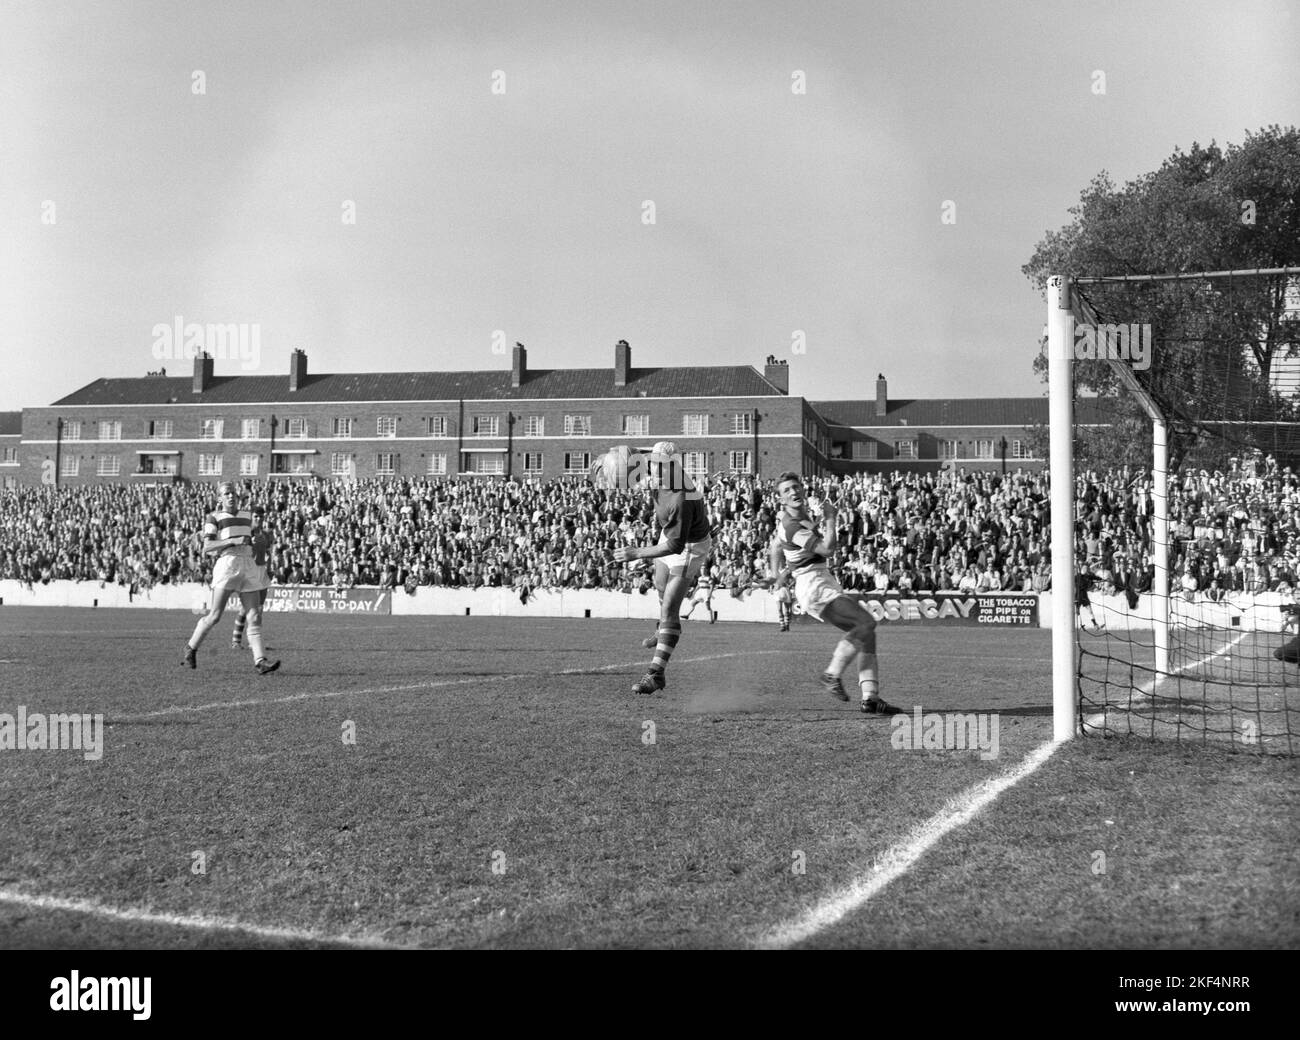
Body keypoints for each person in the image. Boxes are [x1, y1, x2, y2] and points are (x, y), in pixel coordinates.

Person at [768, 472, 899, 715]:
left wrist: (778, 574)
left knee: (865, 633)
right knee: (866, 622)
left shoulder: (798, 518)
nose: (793, 491)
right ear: (781, 499)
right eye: (787, 490)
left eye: (796, 487)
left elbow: (776, 545)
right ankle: (831, 675)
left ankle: (870, 697)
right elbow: (827, 549)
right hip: (814, 584)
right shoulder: (792, 525)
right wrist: (831, 518)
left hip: (817, 581)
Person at [605, 442, 713, 695]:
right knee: (659, 585)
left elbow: (675, 547)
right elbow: (632, 458)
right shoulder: (656, 472)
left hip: (689, 546)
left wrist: (636, 553)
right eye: (654, 463)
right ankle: (663, 626)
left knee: (669, 609)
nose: (656, 468)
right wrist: (612, 460)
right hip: (669, 533)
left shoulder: (681, 497)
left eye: (663, 465)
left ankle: (656, 674)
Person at [183, 482, 280, 674]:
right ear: (220, 498)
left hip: (248, 564)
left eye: (233, 493)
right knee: (215, 616)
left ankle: (260, 661)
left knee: (254, 615)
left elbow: (254, 534)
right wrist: (233, 541)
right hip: (227, 565)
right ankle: (191, 647)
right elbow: (207, 547)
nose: (231, 496)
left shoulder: (247, 516)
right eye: (226, 493)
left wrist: (257, 542)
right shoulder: (214, 517)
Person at [232, 505, 272, 649]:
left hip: (262, 571)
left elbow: (269, 553)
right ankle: (236, 641)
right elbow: (239, 550)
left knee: (259, 608)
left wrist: (270, 569)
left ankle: (254, 642)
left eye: (261, 516)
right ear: (251, 517)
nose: (259, 519)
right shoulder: (246, 533)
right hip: (250, 570)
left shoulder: (266, 534)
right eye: (256, 516)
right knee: (246, 608)